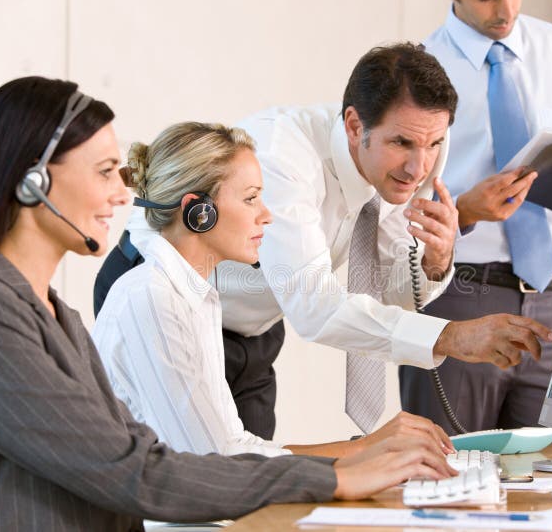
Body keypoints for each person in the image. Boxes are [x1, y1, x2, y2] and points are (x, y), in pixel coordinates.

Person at [0, 76, 456, 531]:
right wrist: (344, 469)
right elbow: (133, 471)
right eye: (102, 172)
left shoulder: (57, 315)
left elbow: (153, 459)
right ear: (35, 182)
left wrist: (352, 464)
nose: (123, 198)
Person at [96, 42, 552, 437]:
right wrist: (452, 336)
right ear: (355, 126)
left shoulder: (407, 163)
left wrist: (435, 263)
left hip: (254, 329)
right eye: (403, 144)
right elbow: (315, 307)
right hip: (171, 300)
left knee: (251, 487)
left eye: (434, 144)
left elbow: (389, 292)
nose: (420, 168)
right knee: (188, 480)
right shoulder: (281, 157)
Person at [93, 121, 456, 459]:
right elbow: (219, 461)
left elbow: (237, 446)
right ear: (198, 213)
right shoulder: (153, 300)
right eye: (251, 198)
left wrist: (368, 452)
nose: (267, 215)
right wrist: (368, 450)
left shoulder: (195, 297)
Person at [400, 0, 552, 433]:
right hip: (461, 298)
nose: (504, 9)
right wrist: (467, 211)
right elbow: (393, 207)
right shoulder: (417, 68)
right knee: (451, 469)